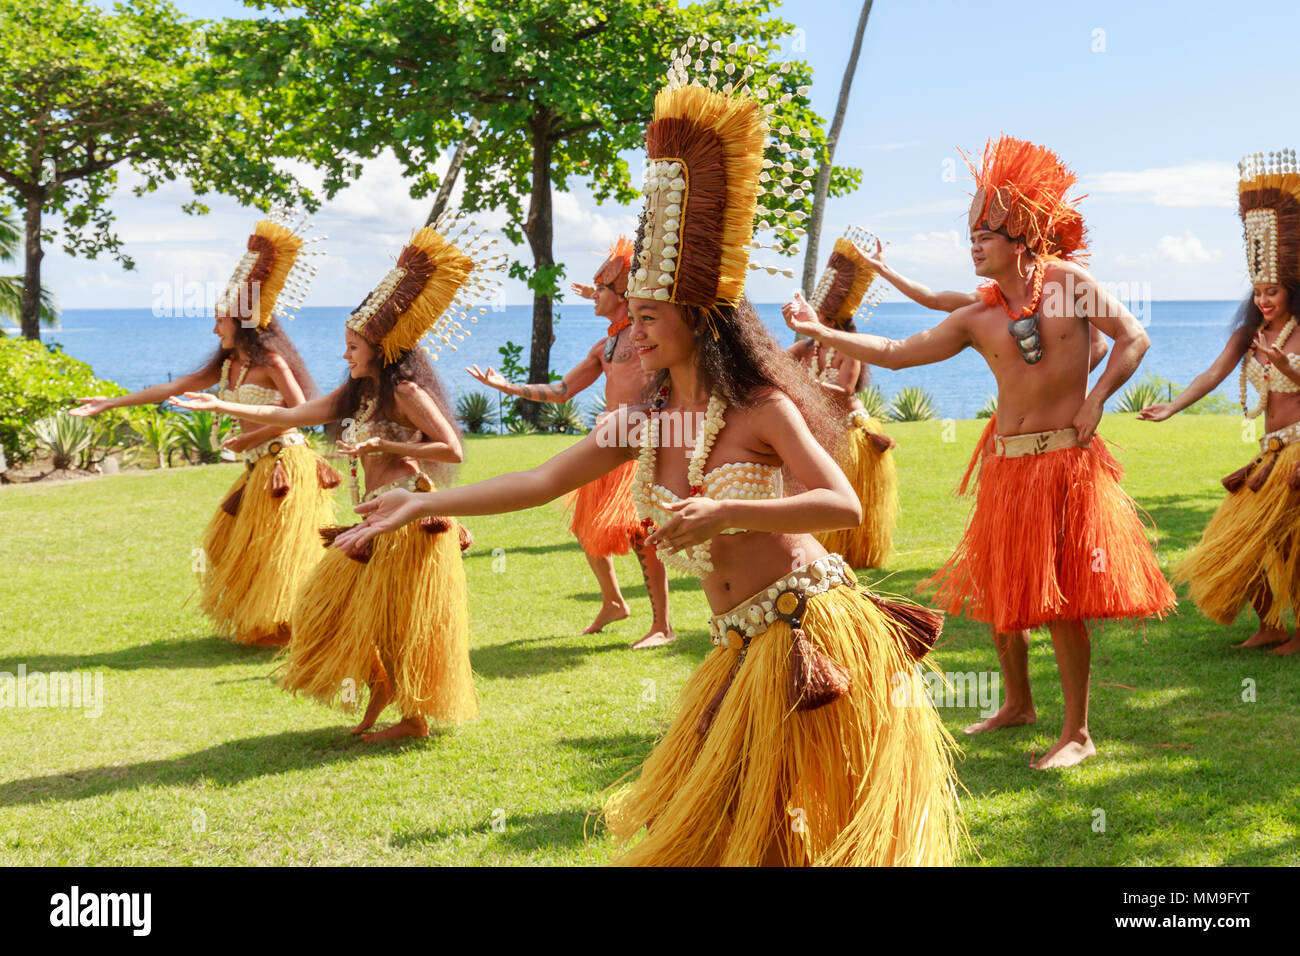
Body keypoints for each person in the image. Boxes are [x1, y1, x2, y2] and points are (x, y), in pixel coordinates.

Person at [332, 41, 961, 865]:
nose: (632, 329)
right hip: (738, 643)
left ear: (698, 320)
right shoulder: (651, 418)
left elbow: (840, 504)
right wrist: (424, 502)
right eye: (631, 316)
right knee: (744, 830)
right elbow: (543, 477)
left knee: (784, 831)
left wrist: (731, 506)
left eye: (649, 317)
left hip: (808, 629)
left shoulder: (760, 407)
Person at [785, 135, 1177, 769]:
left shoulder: (1069, 285)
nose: (973, 243)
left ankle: (1077, 730)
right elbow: (897, 350)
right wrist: (818, 331)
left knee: (1064, 598)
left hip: (1065, 463)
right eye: (970, 233)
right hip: (1008, 464)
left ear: (1019, 236)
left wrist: (1098, 398)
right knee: (1003, 584)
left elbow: (1133, 337)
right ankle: (1017, 702)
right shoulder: (978, 316)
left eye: (985, 233)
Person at [174, 218, 501, 740]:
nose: (344, 355)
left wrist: (386, 444)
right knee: (333, 609)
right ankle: (387, 692)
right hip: (376, 513)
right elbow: (294, 415)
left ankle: (410, 716)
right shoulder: (359, 393)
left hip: (408, 513)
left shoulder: (407, 393)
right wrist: (221, 401)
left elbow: (451, 448)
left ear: (380, 349)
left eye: (352, 348)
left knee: (394, 618)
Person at [72, 214, 338, 646]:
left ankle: (292, 626)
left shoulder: (272, 362)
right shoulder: (229, 363)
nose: (214, 329)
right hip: (256, 466)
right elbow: (173, 387)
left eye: (220, 321)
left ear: (241, 321)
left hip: (284, 465)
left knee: (280, 551)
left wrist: (252, 436)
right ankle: (278, 624)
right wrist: (110, 403)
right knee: (228, 547)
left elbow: (304, 412)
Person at [467, 239, 675, 648]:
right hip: (607, 446)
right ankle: (614, 601)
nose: (590, 296)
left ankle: (663, 626)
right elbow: (562, 391)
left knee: (641, 533)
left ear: (622, 297)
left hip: (640, 446)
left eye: (600, 290)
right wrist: (505, 386)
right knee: (583, 525)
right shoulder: (605, 347)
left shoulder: (647, 341)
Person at [1142, 148, 1300, 656]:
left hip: (1299, 454)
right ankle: (1271, 624)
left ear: (1292, 289)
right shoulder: (1250, 332)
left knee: (1293, 546)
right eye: (1257, 291)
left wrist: (1285, 365)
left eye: (1271, 291)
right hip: (1269, 454)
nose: (1263, 300)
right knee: (1242, 542)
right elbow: (1213, 373)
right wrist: (1173, 406)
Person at [789, 228, 897, 568]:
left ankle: (856, 552)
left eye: (817, 313)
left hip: (851, 432)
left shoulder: (849, 349)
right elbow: (773, 364)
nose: (811, 316)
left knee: (852, 492)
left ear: (831, 319)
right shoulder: (806, 348)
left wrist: (804, 384)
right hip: (824, 432)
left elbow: (846, 390)